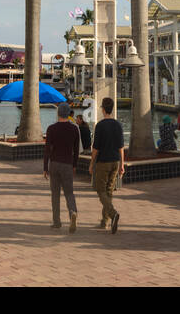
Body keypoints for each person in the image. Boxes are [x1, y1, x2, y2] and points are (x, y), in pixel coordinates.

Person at [43, 103, 81, 232]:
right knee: (69, 193)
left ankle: (57, 222)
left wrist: (45, 168)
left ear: (58, 113)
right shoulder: (74, 129)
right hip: (67, 164)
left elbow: (47, 150)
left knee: (55, 194)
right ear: (69, 114)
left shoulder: (51, 129)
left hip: (54, 164)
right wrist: (74, 165)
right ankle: (72, 213)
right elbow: (76, 151)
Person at [90, 97, 125, 233]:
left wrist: (91, 163)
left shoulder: (100, 126)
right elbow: (121, 147)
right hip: (115, 161)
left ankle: (113, 214)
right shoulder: (118, 125)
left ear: (103, 109)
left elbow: (95, 148)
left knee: (101, 190)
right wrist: (122, 164)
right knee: (109, 191)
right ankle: (104, 222)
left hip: (103, 162)